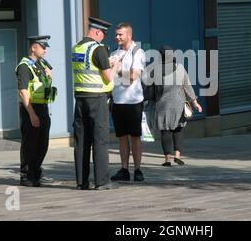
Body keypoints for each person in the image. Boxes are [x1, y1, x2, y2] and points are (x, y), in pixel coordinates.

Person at [72, 17, 120, 190]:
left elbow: (87, 68)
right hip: (97, 98)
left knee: (81, 140)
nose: (103, 38)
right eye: (103, 34)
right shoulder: (98, 49)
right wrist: (114, 65)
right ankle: (102, 181)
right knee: (100, 140)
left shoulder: (77, 47)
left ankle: (81, 181)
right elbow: (108, 76)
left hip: (80, 99)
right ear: (97, 32)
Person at [15, 35, 56, 187]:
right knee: (29, 144)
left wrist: (49, 77)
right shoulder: (24, 66)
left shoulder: (41, 64)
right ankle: (26, 175)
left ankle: (36, 172)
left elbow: (44, 85)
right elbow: (23, 92)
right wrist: (32, 114)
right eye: (42, 47)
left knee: (42, 144)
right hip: (30, 108)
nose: (45, 50)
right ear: (33, 48)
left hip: (43, 107)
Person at [152, 46, 202, 166]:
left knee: (165, 132)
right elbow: (187, 86)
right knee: (178, 130)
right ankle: (177, 156)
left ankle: (167, 159)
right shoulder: (179, 68)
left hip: (162, 105)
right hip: (178, 104)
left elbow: (150, 90)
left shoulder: (155, 70)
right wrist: (195, 102)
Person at [109, 22, 146, 182]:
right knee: (122, 137)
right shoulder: (115, 53)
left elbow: (132, 77)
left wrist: (116, 69)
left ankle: (137, 169)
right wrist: (110, 68)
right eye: (116, 34)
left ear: (129, 35)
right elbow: (109, 77)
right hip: (118, 101)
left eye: (120, 34)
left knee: (135, 136)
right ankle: (124, 168)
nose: (117, 37)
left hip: (133, 102)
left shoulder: (138, 52)